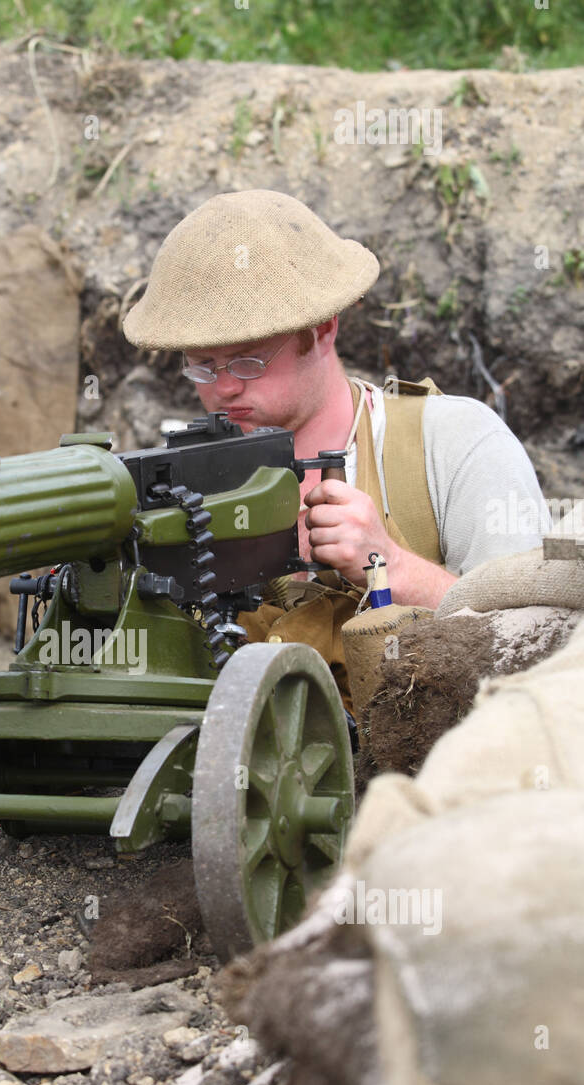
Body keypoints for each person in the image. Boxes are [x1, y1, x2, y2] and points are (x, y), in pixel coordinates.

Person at [122, 189, 550, 706]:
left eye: (248, 362)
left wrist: (388, 563)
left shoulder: (454, 444)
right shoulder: (176, 479)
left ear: (322, 329)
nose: (224, 388)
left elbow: (535, 647)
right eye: (201, 365)